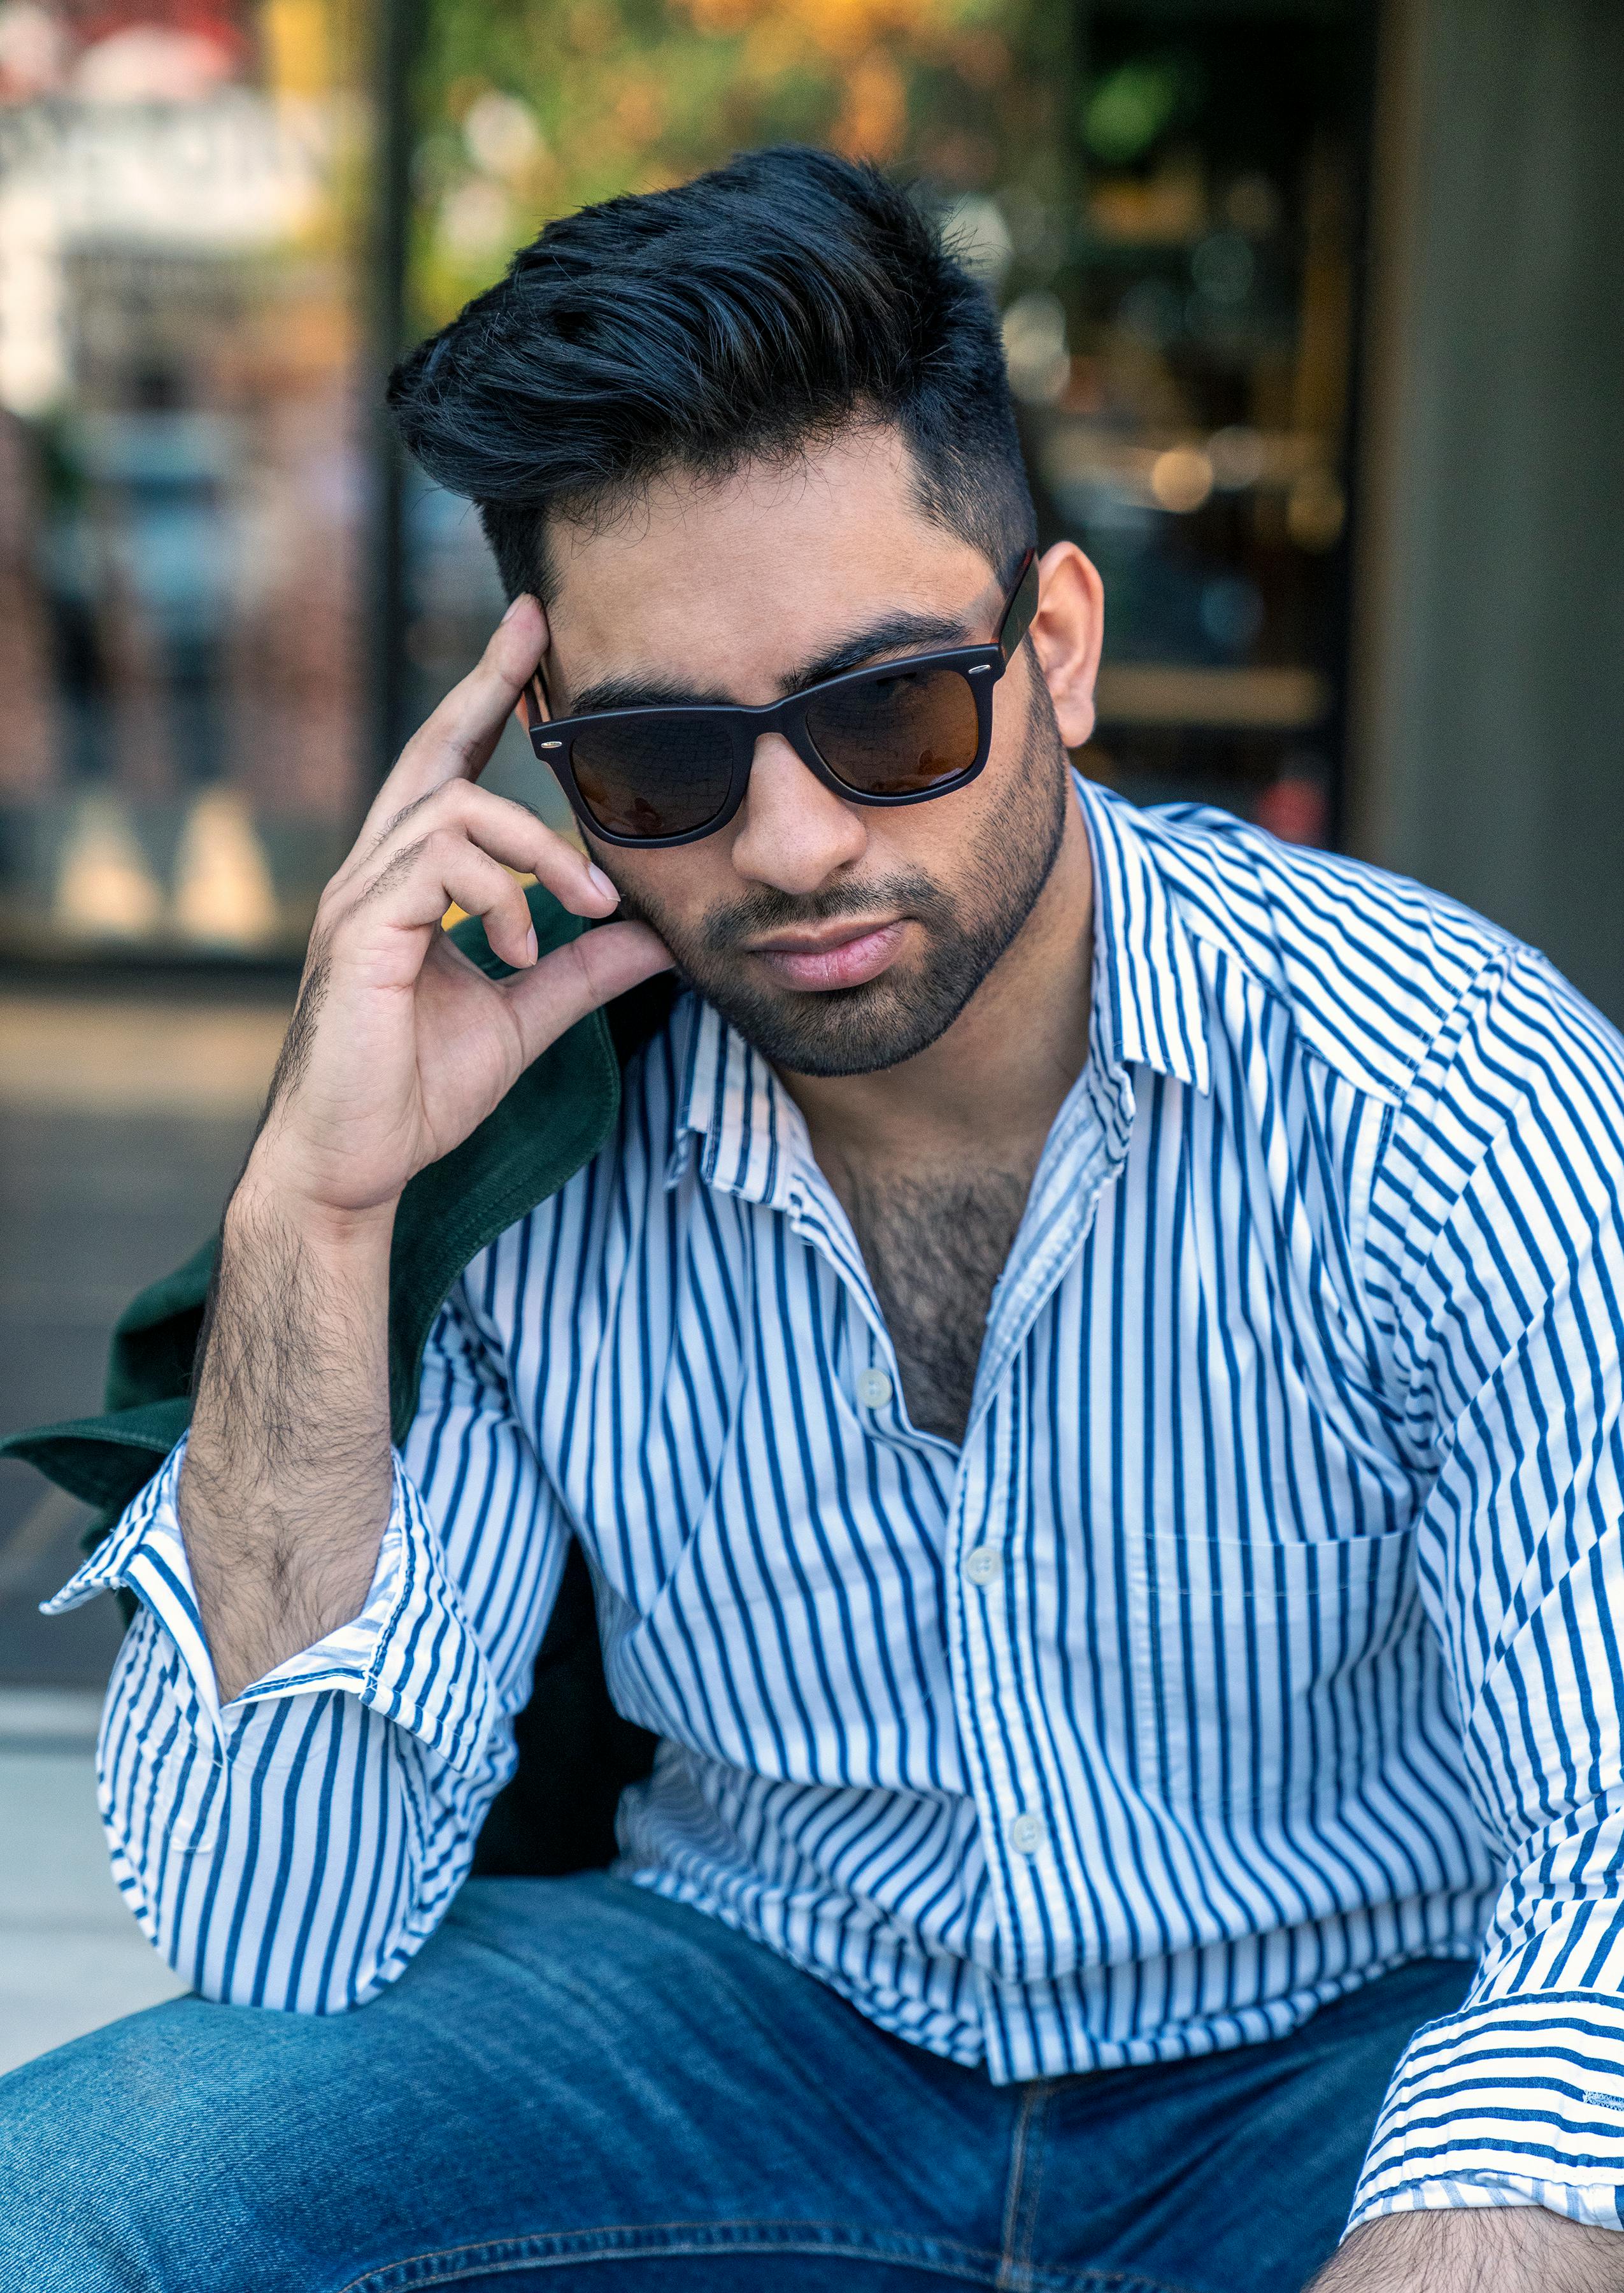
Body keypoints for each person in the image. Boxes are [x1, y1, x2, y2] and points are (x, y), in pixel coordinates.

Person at [3, 146, 1623, 2293]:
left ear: (1053, 645)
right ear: (552, 756)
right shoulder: (533, 1149)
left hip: (1328, 2067)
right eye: (666, 760)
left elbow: (1600, 1863)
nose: (785, 846)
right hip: (754, 2024)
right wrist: (320, 1199)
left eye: (886, 714)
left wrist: (1464, 2222)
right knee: (73, 2203)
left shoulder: (1435, 1093)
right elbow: (283, 1930)